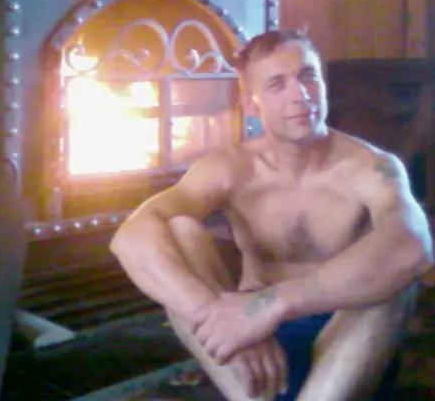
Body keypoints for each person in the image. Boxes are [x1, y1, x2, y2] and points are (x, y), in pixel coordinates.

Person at [110, 29, 434, 401]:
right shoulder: (230, 168)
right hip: (255, 347)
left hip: (347, 338)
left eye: (308, 76)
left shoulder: (371, 166)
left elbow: (415, 245)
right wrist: (214, 314)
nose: (300, 94)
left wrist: (273, 305)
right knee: (176, 231)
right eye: (277, 84)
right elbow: (129, 237)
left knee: (394, 276)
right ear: (252, 103)